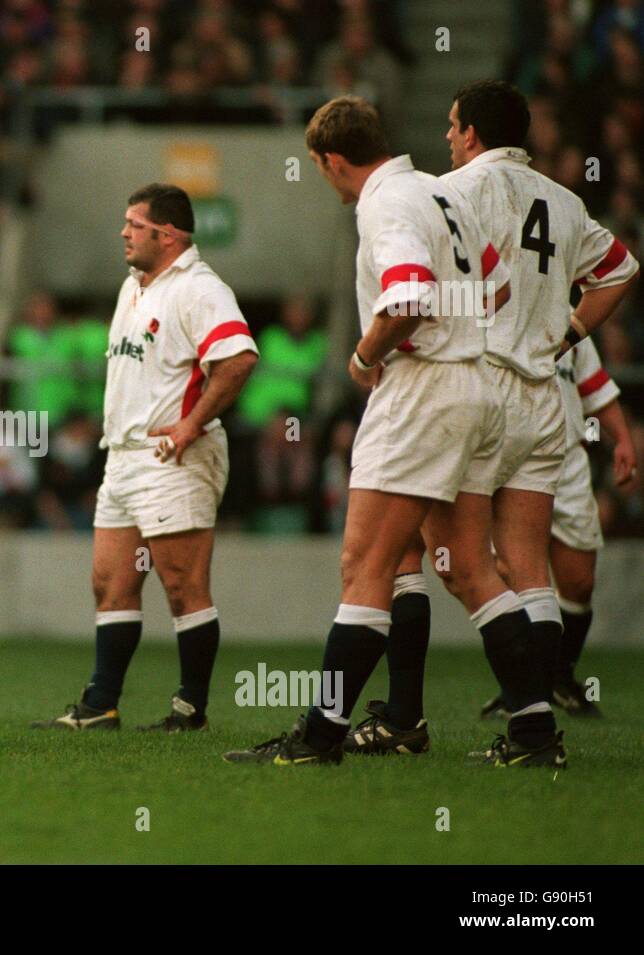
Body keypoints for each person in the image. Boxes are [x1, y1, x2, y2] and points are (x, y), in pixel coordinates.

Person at [222, 96, 565, 767]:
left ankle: (319, 736)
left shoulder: (384, 204)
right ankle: (533, 734)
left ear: (330, 160)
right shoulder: (440, 192)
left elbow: (405, 297)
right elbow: (494, 289)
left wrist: (364, 354)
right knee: (471, 567)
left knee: (364, 564)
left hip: (424, 392)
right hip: (479, 386)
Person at [345, 80, 639, 756]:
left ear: (472, 132)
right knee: (528, 567)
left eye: (453, 125)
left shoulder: (452, 191)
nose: (447, 136)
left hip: (474, 386)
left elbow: (432, 286)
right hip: (545, 397)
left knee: (426, 556)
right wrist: (566, 335)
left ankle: (405, 713)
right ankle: (533, 727)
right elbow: (621, 269)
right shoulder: (565, 201)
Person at [31, 183, 258, 732]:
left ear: (169, 234)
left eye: (134, 224)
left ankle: (190, 710)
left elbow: (239, 359)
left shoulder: (200, 288)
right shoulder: (132, 286)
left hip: (172, 457)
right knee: (110, 582)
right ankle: (100, 705)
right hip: (124, 458)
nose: (124, 232)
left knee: (182, 587)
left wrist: (190, 424)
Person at [481, 337, 637, 719]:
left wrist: (623, 439)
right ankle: (521, 688)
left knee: (580, 582)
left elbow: (594, 384)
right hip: (509, 454)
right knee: (512, 576)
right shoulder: (488, 305)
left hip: (567, 457)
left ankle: (558, 676)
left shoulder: (571, 317)